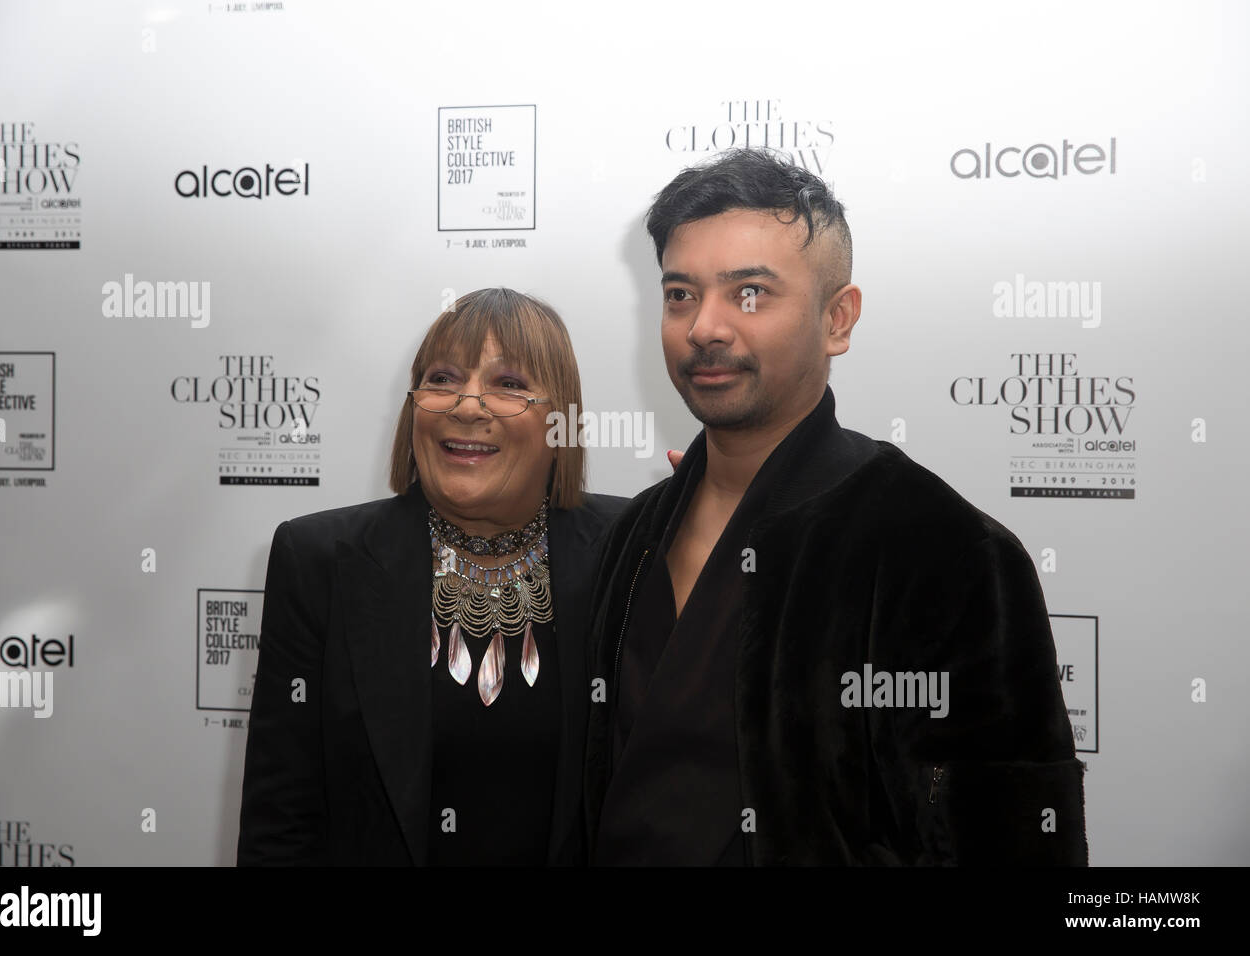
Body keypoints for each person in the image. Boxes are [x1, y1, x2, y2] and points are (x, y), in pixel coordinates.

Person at [583, 148, 1087, 865]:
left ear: (838, 319)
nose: (705, 328)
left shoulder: (943, 550)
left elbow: (1011, 842)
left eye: (750, 293)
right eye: (680, 294)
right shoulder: (632, 537)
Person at [238, 287, 627, 865]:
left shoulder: (630, 548)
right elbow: (282, 820)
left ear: (559, 423)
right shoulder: (319, 558)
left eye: (509, 384)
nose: (467, 405)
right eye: (442, 379)